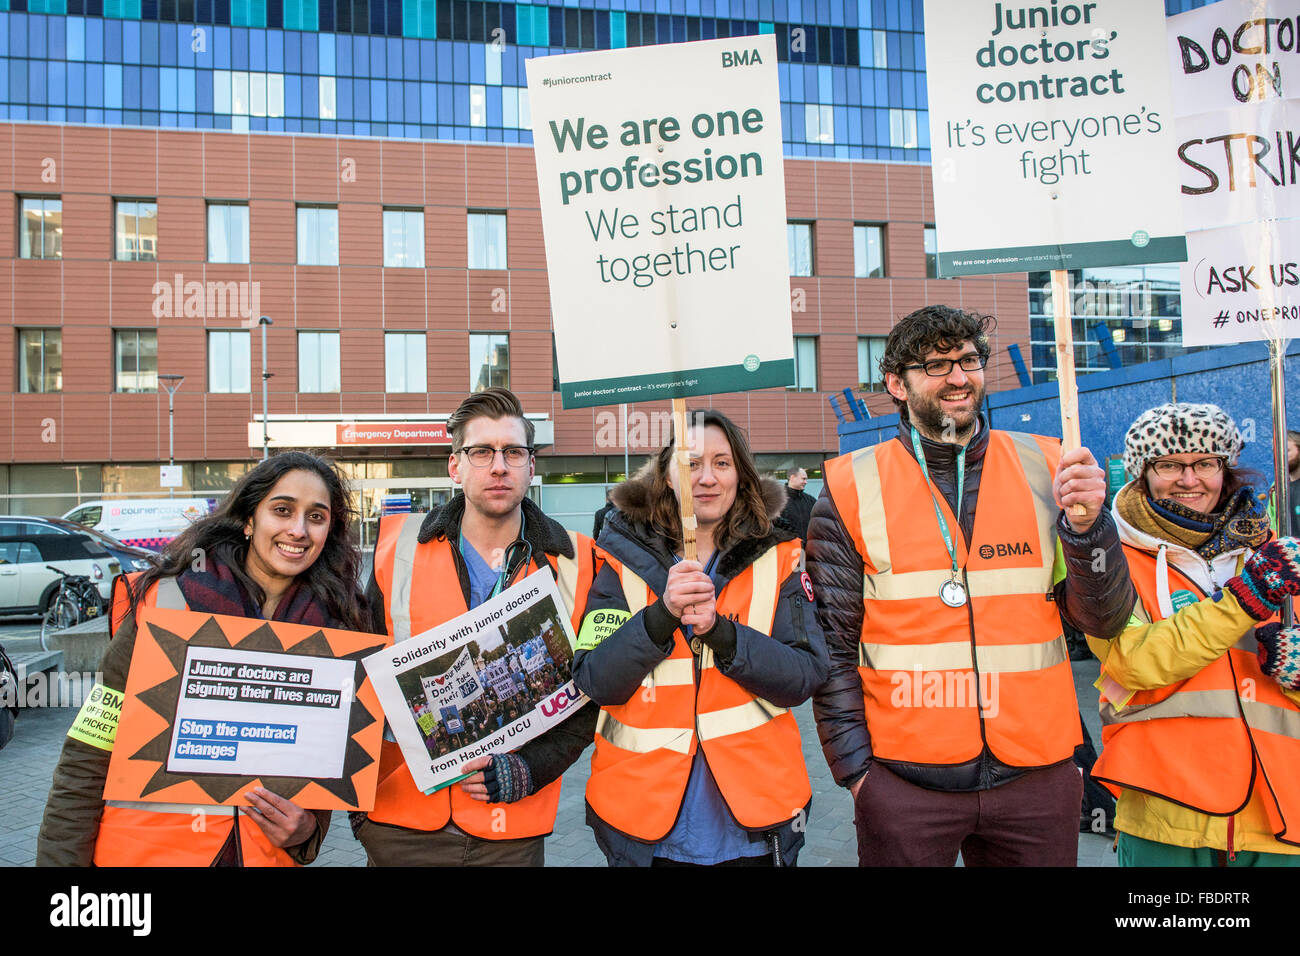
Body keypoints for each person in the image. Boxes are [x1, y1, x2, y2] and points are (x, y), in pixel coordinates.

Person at [807, 304, 1135, 867]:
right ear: (897, 384)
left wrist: (1089, 530)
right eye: (937, 365)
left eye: (969, 360)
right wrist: (856, 772)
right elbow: (832, 648)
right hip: (904, 782)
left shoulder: (1051, 467)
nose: (959, 377)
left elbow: (1100, 621)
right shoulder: (849, 485)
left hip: (1038, 776)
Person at [37, 451, 367, 866]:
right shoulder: (167, 602)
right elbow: (90, 750)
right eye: (282, 510)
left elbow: (324, 765)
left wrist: (308, 831)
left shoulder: (337, 631)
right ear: (249, 520)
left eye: (316, 517)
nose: (298, 530)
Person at [573, 409, 828, 866]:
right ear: (666, 476)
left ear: (740, 475)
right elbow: (596, 681)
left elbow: (804, 677)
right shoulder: (617, 557)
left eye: (722, 463)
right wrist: (662, 615)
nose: (706, 478)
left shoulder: (781, 555)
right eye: (691, 463)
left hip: (754, 821)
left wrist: (722, 633)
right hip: (642, 822)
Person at [358, 387, 601, 866]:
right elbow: (356, 678)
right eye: (481, 452)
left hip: (511, 824)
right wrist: (356, 813)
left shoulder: (581, 562)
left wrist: (529, 769)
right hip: (399, 822)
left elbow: (595, 694)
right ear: (456, 466)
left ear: (531, 466)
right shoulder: (395, 552)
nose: (498, 466)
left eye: (513, 452)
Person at [1089, 402, 1300, 866]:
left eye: (1205, 463)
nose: (1189, 480)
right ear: (1143, 471)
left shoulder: (1275, 554)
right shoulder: (1108, 558)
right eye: (1170, 465)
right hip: (1165, 808)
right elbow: (1134, 662)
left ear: (1225, 469)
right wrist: (1245, 600)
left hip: (1279, 808)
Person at [777, 466, 816, 540]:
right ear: (792, 477)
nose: (806, 482)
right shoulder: (778, 501)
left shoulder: (811, 500)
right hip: (788, 547)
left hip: (809, 547)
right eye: (803, 479)